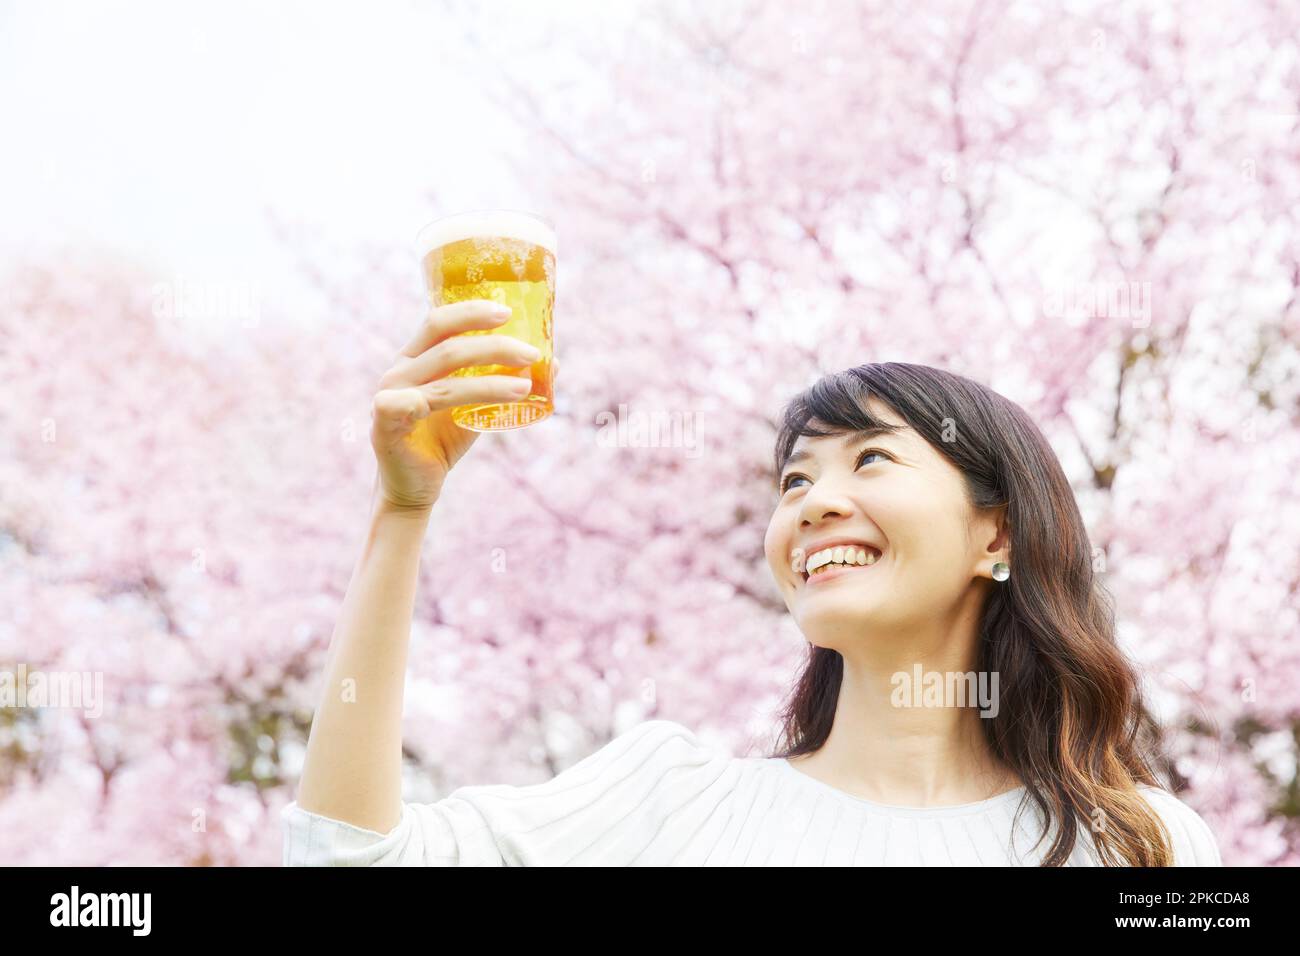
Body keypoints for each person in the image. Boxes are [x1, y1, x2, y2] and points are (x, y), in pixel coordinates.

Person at [280, 299, 1222, 866]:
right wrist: (401, 515)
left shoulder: (1141, 846)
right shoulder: (672, 805)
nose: (812, 506)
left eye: (872, 462)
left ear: (998, 535)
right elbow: (354, 859)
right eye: (796, 480)